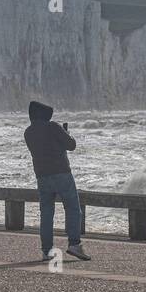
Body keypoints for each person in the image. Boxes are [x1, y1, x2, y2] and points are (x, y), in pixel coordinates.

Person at [23, 101, 90, 261]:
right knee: (73, 209)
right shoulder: (53, 126)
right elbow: (71, 145)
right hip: (61, 174)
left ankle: (47, 251)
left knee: (46, 213)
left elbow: (44, 146)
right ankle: (74, 244)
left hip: (42, 176)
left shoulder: (28, 132)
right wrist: (66, 134)